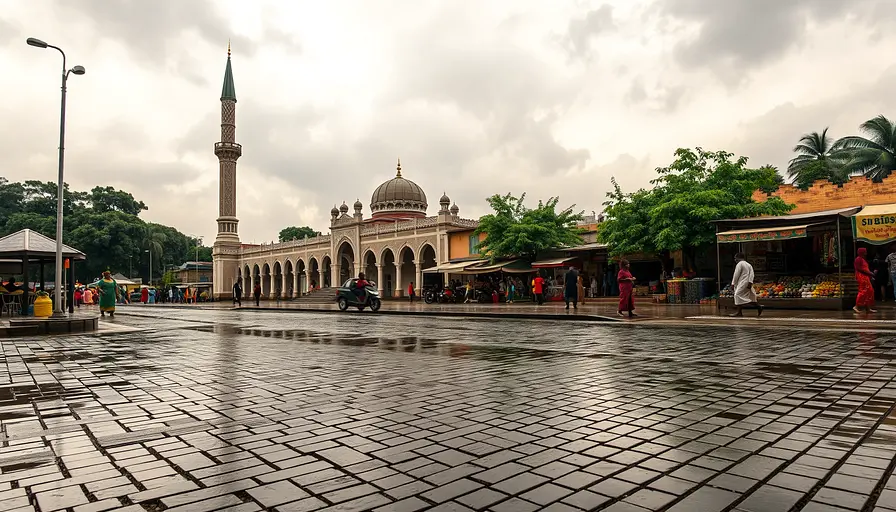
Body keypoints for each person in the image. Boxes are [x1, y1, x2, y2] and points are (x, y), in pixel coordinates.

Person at [855, 247, 877, 313]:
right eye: (865, 251)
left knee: (870, 291)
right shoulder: (858, 259)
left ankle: (868, 308)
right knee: (863, 291)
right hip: (862, 277)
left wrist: (870, 274)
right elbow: (859, 269)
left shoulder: (862, 259)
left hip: (865, 277)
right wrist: (870, 273)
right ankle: (856, 306)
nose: (866, 253)